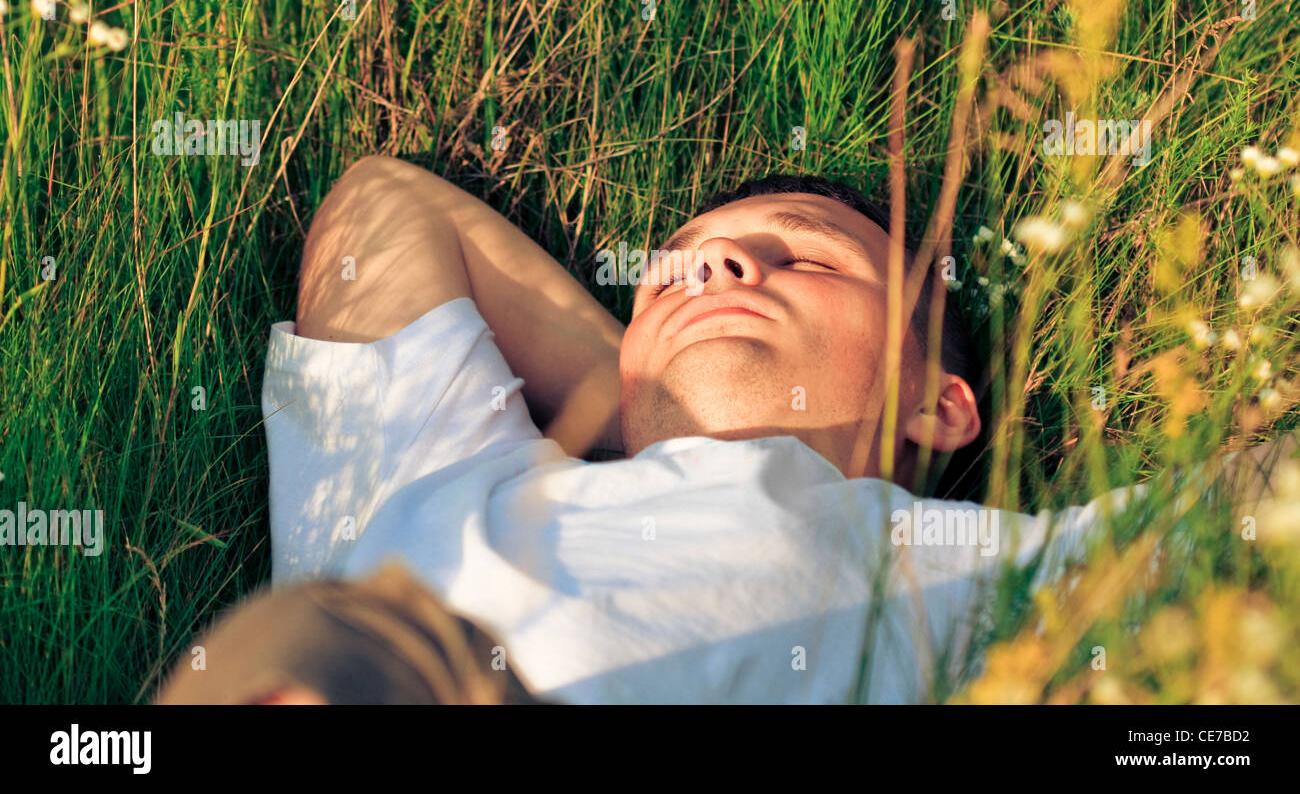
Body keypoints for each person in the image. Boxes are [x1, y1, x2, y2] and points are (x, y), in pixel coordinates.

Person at [199, 155, 1283, 704]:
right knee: (314, 645)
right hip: (399, 682)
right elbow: (386, 205)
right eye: (674, 267)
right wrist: (633, 401)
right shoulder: (451, 471)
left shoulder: (1003, 574)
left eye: (803, 255)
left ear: (937, 402)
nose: (714, 264)